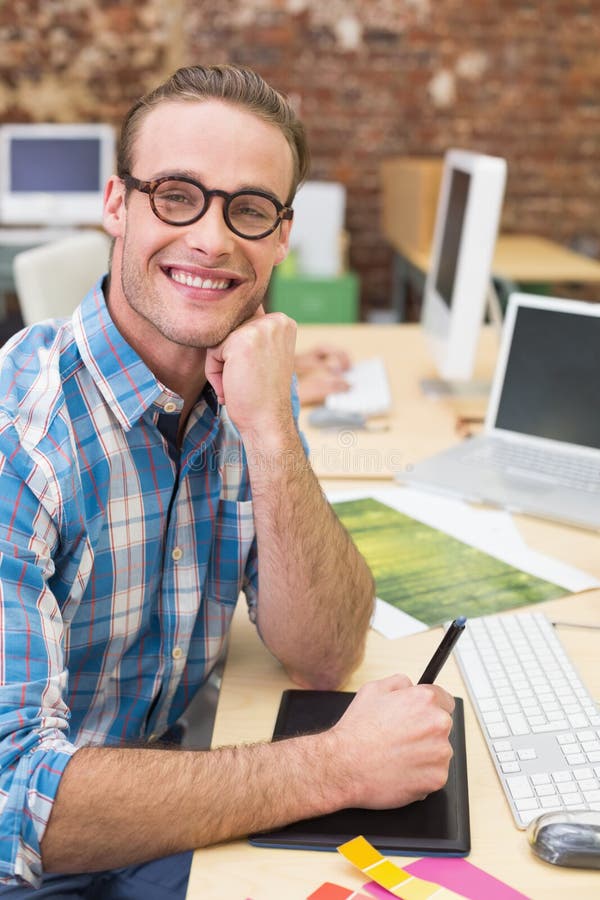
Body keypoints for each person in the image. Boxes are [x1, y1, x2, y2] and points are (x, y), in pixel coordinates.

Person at [0, 64, 455, 897]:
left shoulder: (241, 388)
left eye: (248, 209)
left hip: (172, 825)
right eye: (176, 194)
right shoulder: (18, 443)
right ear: (116, 204)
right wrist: (337, 766)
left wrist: (271, 427)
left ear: (280, 237)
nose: (212, 239)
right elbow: (13, 808)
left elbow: (323, 652)